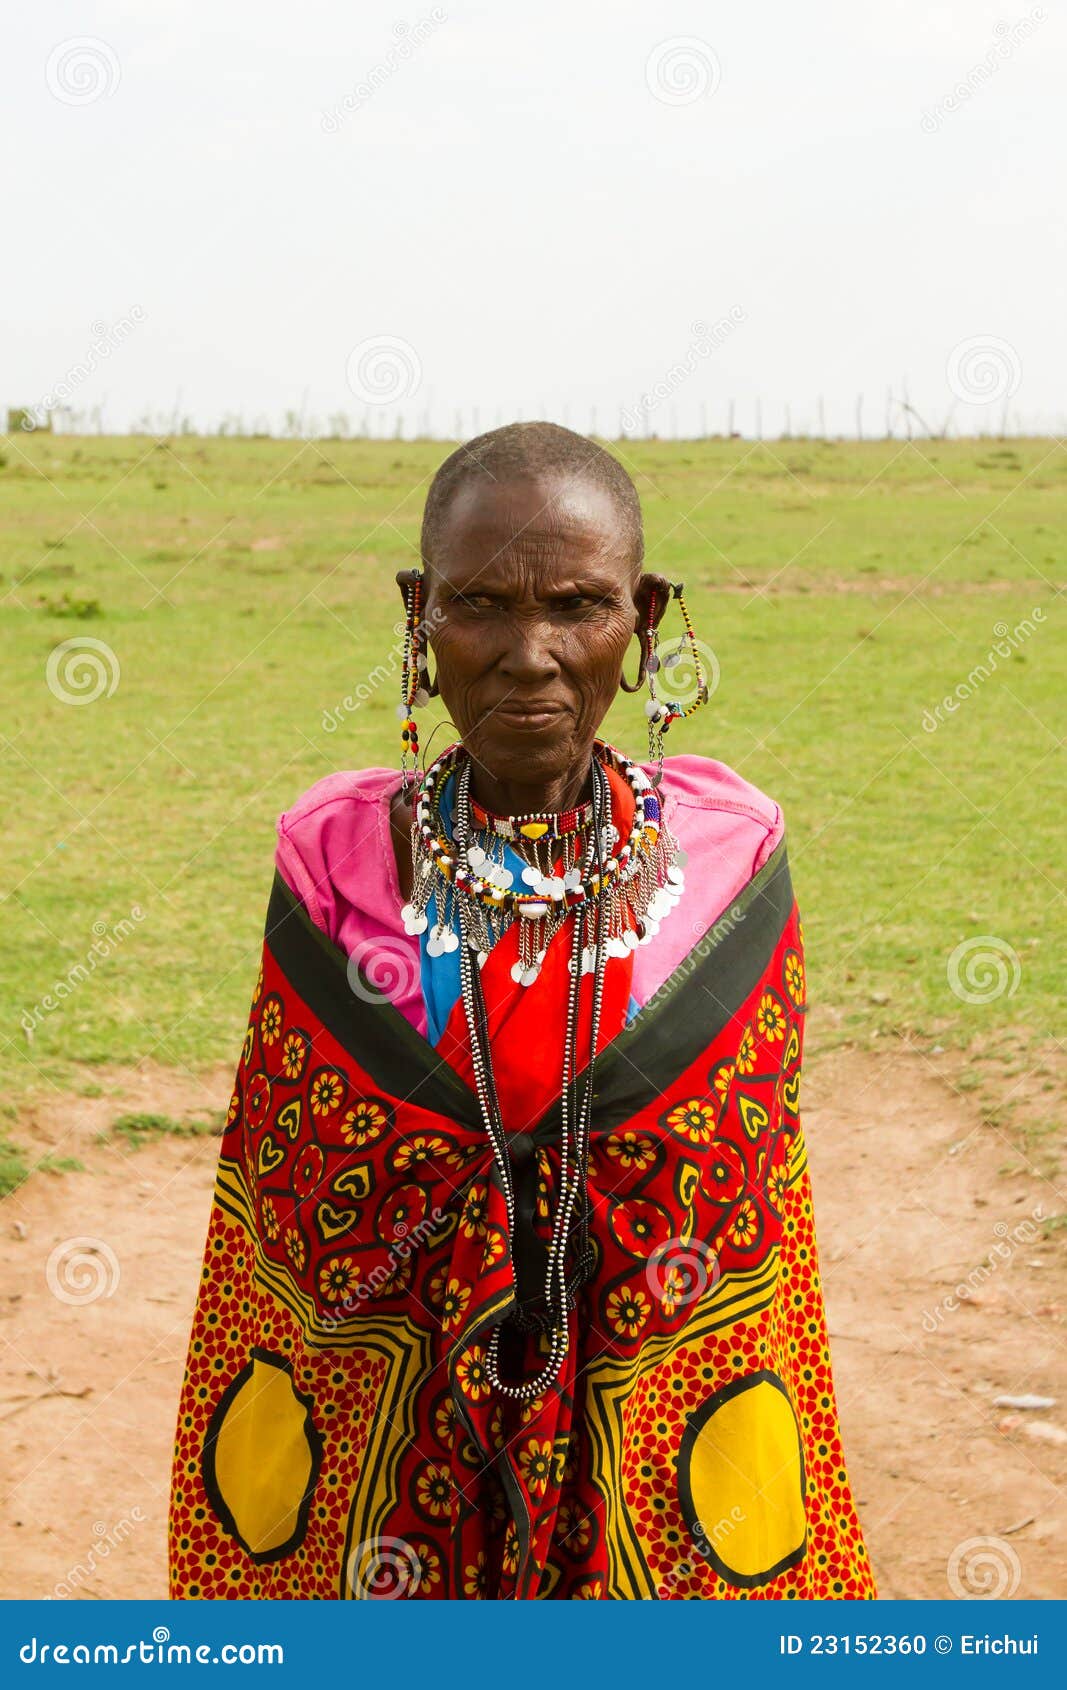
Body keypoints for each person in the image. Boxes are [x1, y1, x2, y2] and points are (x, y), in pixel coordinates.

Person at [168, 422, 876, 1600]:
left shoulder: (727, 853)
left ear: (644, 621)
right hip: (393, 1466)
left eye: (581, 607)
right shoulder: (334, 857)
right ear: (418, 613)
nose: (530, 655)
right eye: (480, 604)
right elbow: (292, 1222)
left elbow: (748, 1200)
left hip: (657, 1431)